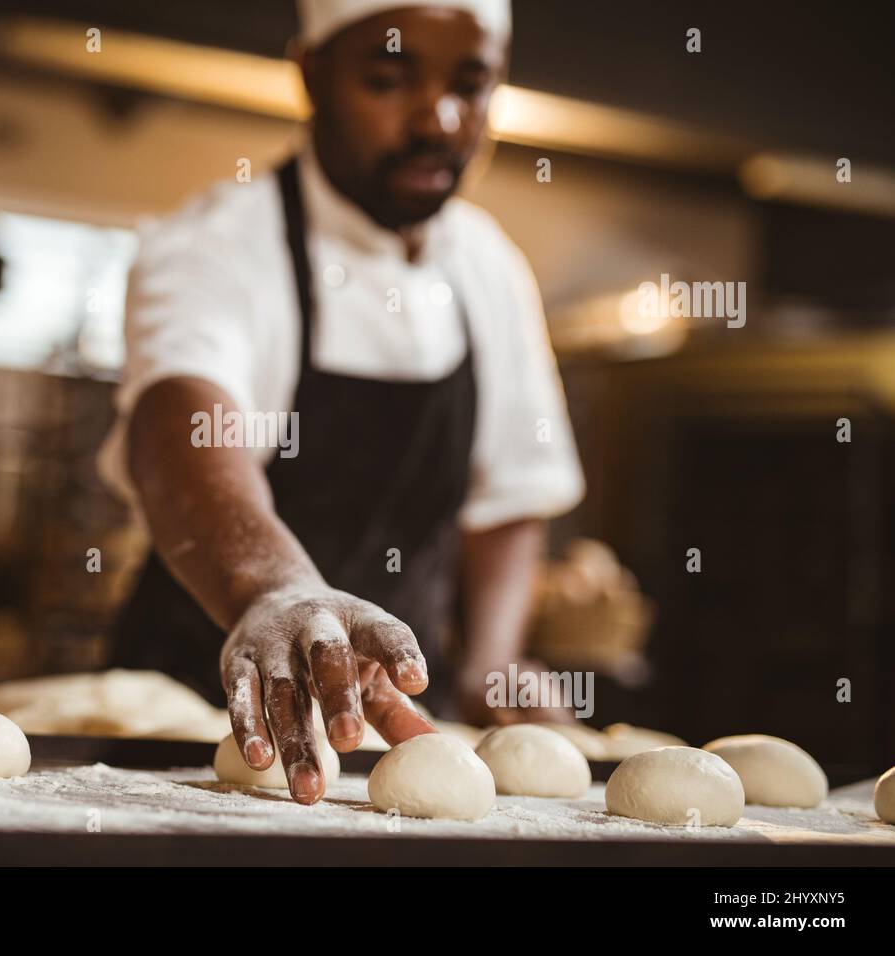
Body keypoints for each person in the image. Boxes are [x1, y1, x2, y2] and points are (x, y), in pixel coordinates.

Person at [102, 0, 584, 803]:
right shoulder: (219, 243)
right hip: (195, 725)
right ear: (311, 75)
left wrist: (492, 663)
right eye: (390, 79)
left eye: (473, 86)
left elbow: (509, 503)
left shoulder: (489, 269)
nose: (439, 120)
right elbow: (180, 428)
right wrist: (274, 589)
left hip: (407, 737)